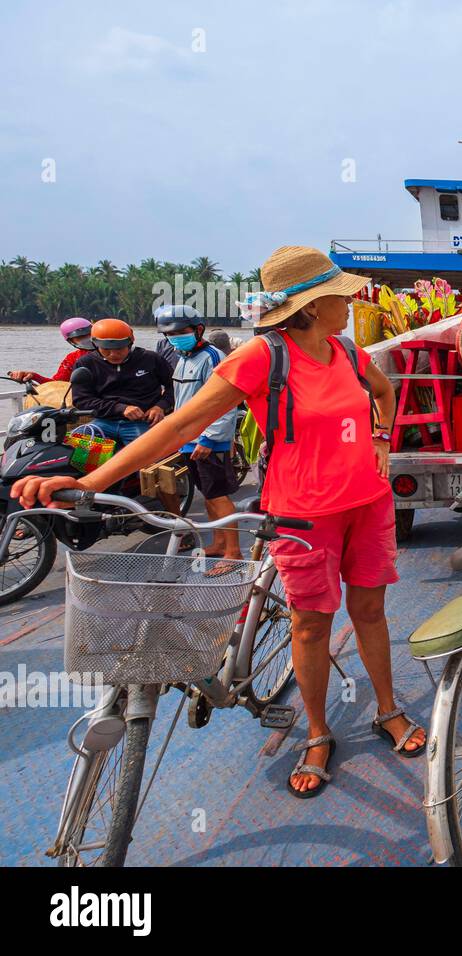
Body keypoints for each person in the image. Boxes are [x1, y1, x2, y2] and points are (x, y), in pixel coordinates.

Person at [13, 246, 422, 799]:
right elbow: (182, 426)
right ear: (310, 304)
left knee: (369, 611)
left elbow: (384, 391)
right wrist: (90, 482)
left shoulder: (347, 351)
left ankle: (389, 709)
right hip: (302, 513)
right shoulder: (260, 358)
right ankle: (319, 732)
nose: (349, 303)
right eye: (339, 295)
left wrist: (379, 440)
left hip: (368, 505)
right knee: (311, 625)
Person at [154, 305, 244, 566]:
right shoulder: (183, 357)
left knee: (219, 496)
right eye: (170, 334)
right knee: (208, 495)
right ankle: (218, 544)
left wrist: (208, 438)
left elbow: (225, 402)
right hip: (189, 440)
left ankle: (233, 552)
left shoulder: (212, 357)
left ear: (198, 330)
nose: (175, 337)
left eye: (182, 332)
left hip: (208, 441)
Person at [70, 318, 174, 447]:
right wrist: (120, 409)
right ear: (96, 345)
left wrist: (161, 406)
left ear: (130, 342)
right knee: (74, 446)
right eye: (106, 349)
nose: (113, 354)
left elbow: (175, 387)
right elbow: (81, 400)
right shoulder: (85, 363)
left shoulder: (150, 358)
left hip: (142, 422)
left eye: (119, 348)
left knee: (143, 453)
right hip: (104, 421)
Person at [8, 317, 95, 383]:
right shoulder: (72, 358)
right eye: (80, 337)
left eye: (89, 334)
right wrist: (34, 376)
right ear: (71, 341)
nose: (87, 338)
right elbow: (57, 384)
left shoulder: (108, 351)